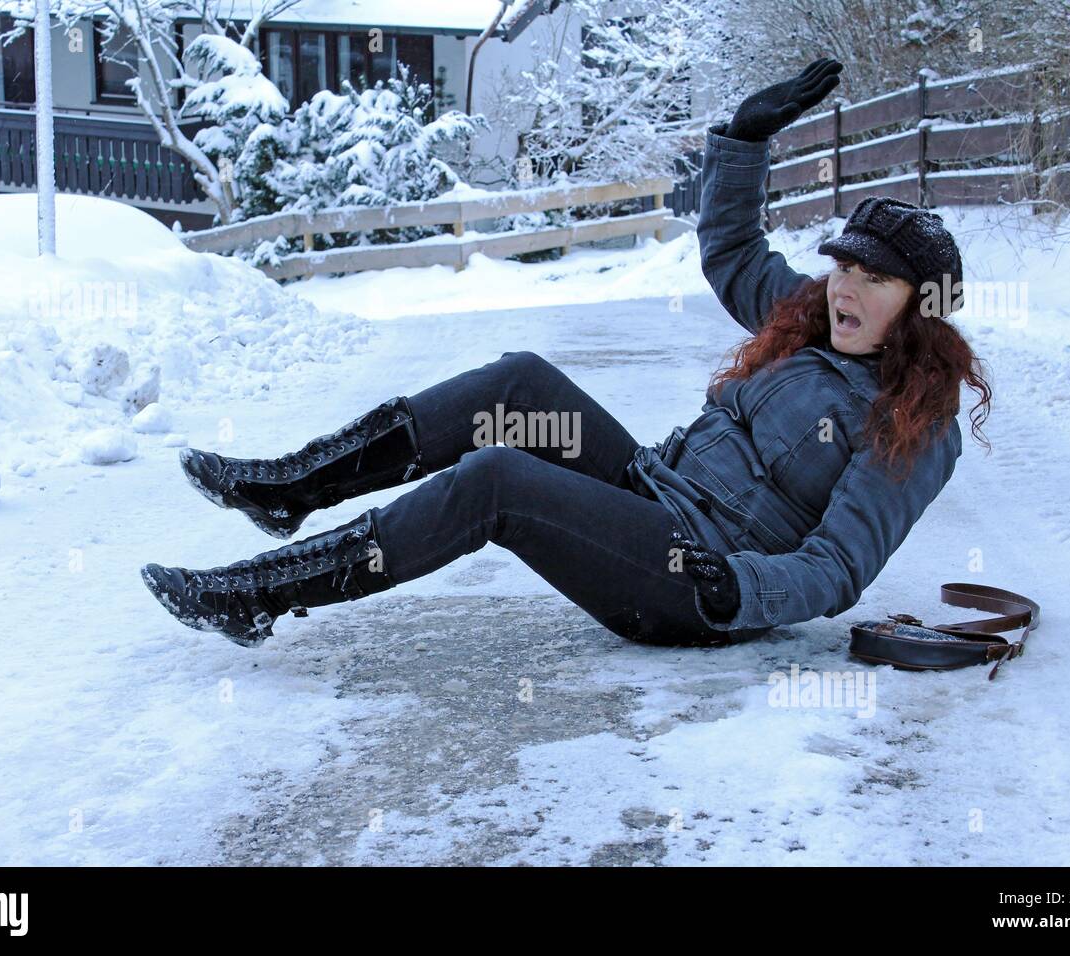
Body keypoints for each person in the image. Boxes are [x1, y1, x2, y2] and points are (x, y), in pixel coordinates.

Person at [140, 57, 992, 649]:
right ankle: (296, 488)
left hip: (697, 579)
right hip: (652, 493)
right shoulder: (815, 320)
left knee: (499, 481)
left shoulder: (913, 420)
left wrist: (740, 589)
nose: (844, 286)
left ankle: (264, 593)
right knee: (517, 383)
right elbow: (733, 253)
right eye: (841, 264)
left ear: (921, 309)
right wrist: (741, 141)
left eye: (872, 278)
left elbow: (838, 567)